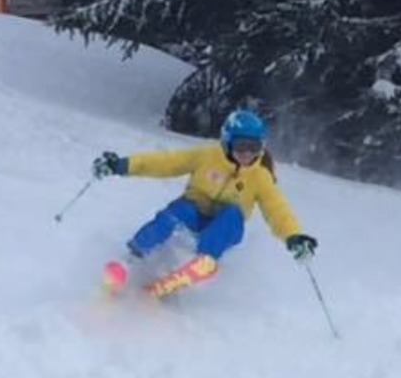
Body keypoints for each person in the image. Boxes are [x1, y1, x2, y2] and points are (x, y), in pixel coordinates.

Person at [90, 108, 319, 296]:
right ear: (228, 142)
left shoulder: (260, 176)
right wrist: (122, 165)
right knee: (177, 212)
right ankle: (131, 259)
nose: (247, 154)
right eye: (241, 146)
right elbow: (166, 163)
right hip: (193, 214)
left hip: (222, 229)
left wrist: (293, 236)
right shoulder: (207, 157)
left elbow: (276, 208)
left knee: (232, 214)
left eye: (254, 148)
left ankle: (204, 262)